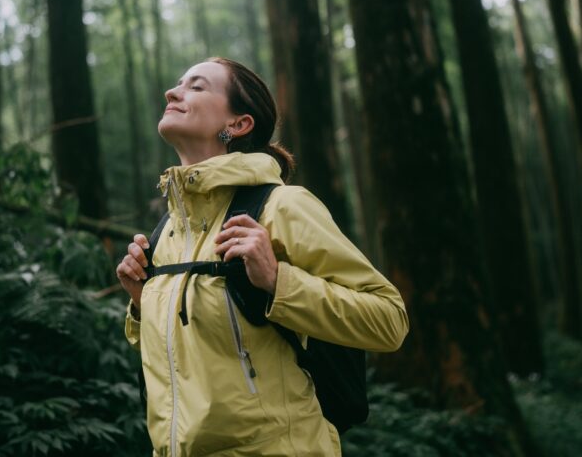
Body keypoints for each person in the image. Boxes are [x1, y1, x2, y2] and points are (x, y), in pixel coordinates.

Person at [116, 57, 409, 456]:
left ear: (238, 124)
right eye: (178, 83)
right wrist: (143, 303)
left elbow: (389, 320)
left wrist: (277, 281)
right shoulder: (166, 231)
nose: (173, 91)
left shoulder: (282, 207)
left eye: (197, 86)